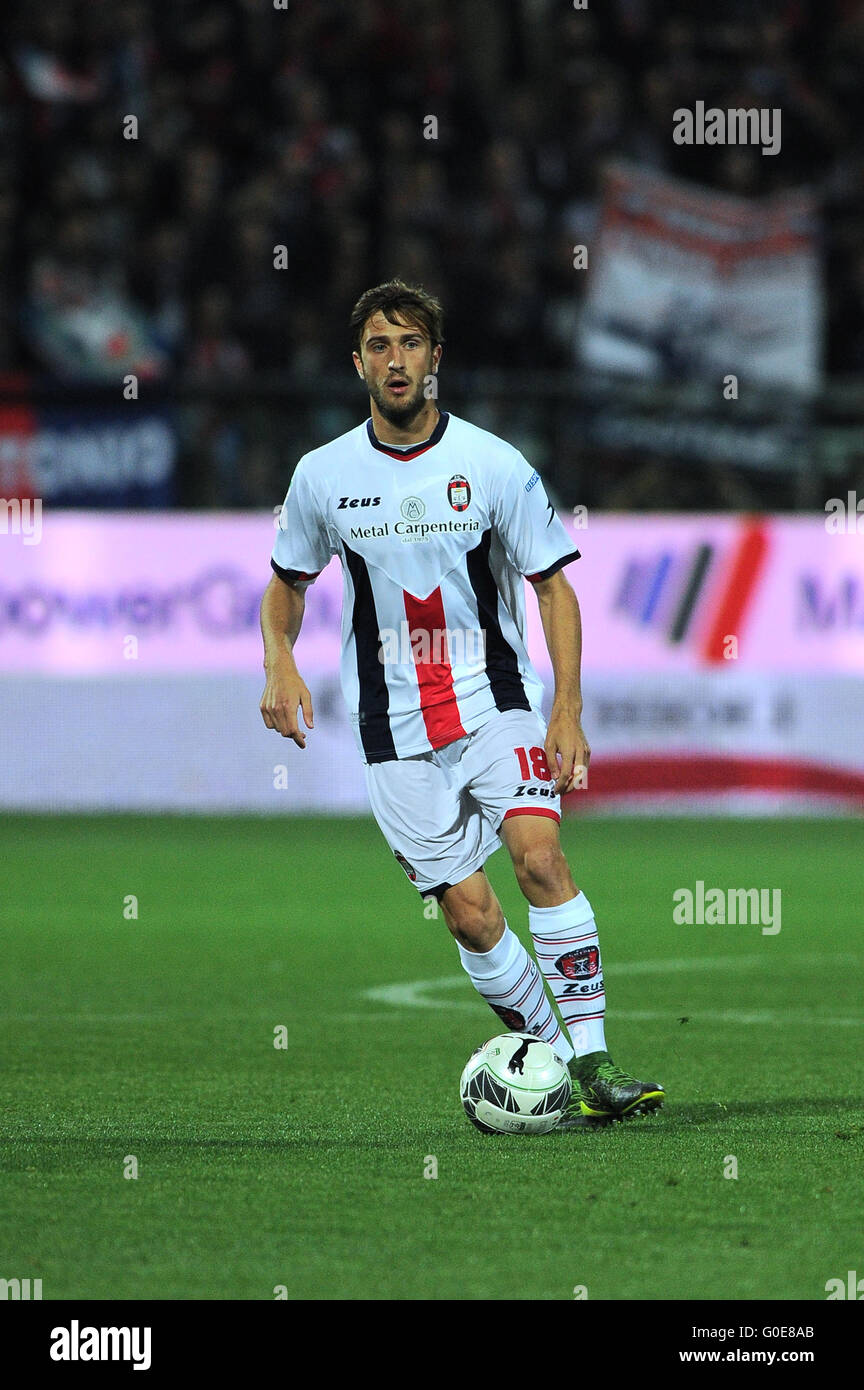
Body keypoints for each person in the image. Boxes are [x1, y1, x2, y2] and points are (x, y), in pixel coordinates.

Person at [259, 279, 664, 1127]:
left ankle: (594, 1064)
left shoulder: (492, 463)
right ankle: (545, 1055)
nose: (394, 360)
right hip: (391, 732)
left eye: (409, 344)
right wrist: (280, 661)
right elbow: (285, 583)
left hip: (496, 704)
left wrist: (567, 707)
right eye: (378, 345)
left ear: (436, 359)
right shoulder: (322, 475)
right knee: (474, 917)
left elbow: (552, 587)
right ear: (358, 362)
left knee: (540, 858)